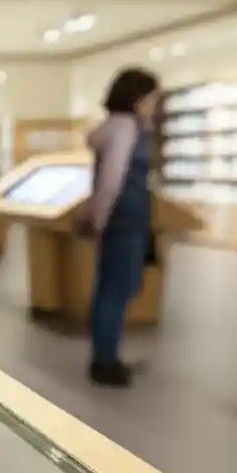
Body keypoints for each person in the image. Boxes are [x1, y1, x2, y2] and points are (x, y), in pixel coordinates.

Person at [78, 68, 162, 388]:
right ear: (139, 98)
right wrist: (96, 219)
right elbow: (112, 181)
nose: (155, 105)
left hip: (122, 219)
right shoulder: (127, 129)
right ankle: (105, 360)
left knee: (110, 287)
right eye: (152, 98)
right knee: (118, 289)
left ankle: (106, 351)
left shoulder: (114, 128)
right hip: (126, 218)